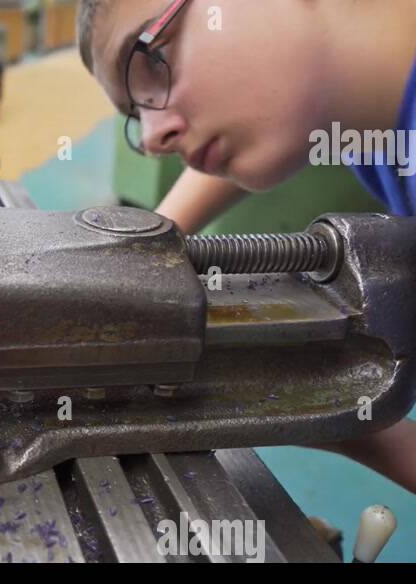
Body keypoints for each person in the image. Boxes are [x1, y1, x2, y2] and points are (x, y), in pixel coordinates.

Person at [76, 0, 416, 493]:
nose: (154, 138)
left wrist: (331, 409)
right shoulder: (366, 117)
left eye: (150, 57)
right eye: (137, 113)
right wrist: (149, 241)